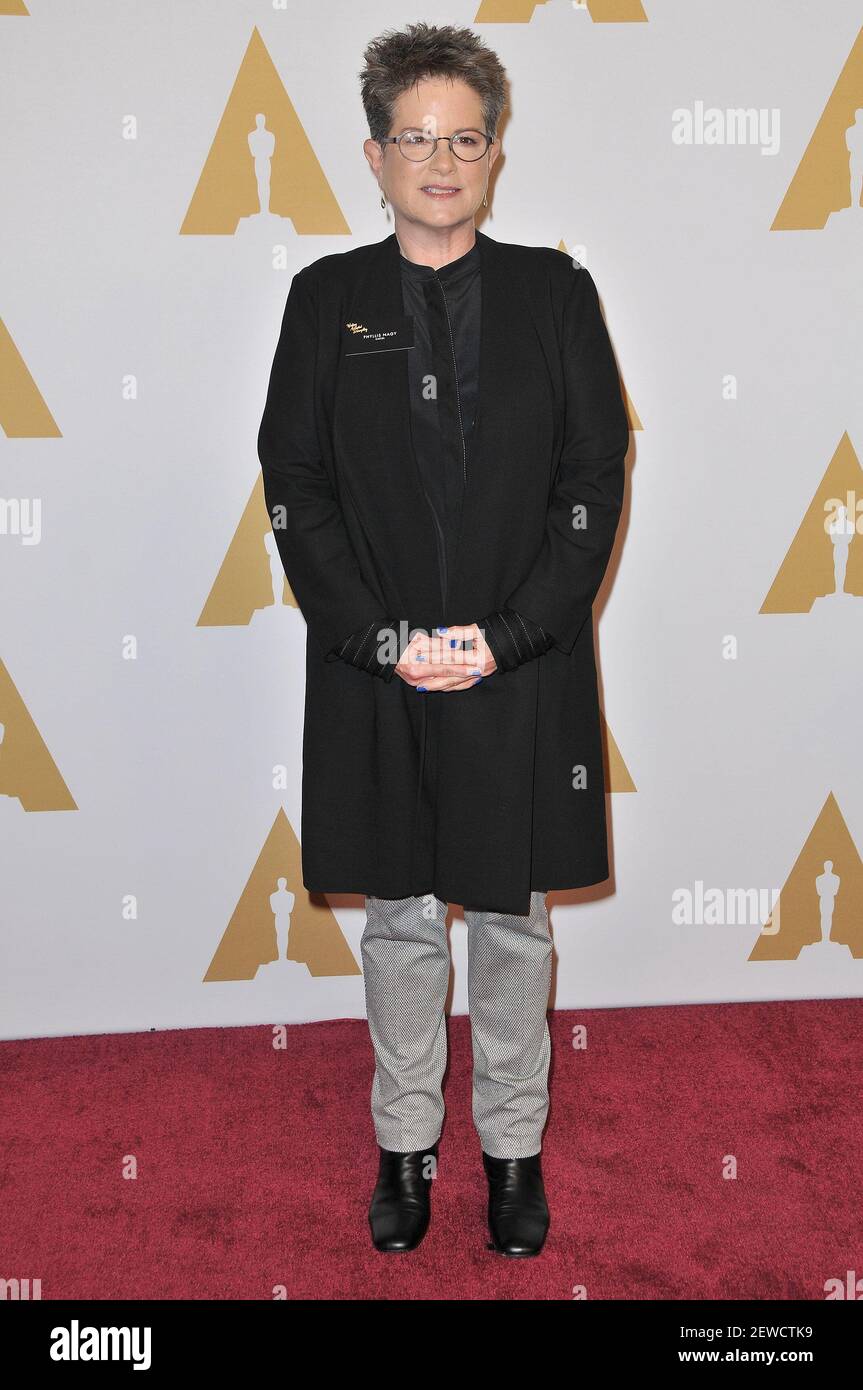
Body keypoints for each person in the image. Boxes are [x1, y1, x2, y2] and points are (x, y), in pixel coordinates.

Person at [256, 20, 629, 1258]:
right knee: (404, 919)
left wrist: (509, 636)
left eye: (461, 136)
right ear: (373, 154)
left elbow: (591, 477)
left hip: (517, 673)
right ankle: (403, 1144)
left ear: (491, 153)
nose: (438, 158)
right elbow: (295, 484)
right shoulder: (325, 301)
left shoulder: (556, 293)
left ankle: (511, 1154)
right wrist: (379, 639)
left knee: (514, 920)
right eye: (412, 136)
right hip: (380, 672)